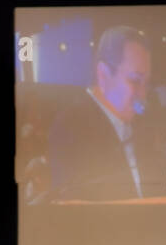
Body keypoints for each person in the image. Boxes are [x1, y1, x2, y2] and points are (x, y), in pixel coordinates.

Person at [47, 25, 159, 202]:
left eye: (146, 83)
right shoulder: (71, 127)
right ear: (103, 74)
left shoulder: (142, 126)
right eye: (135, 80)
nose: (143, 94)